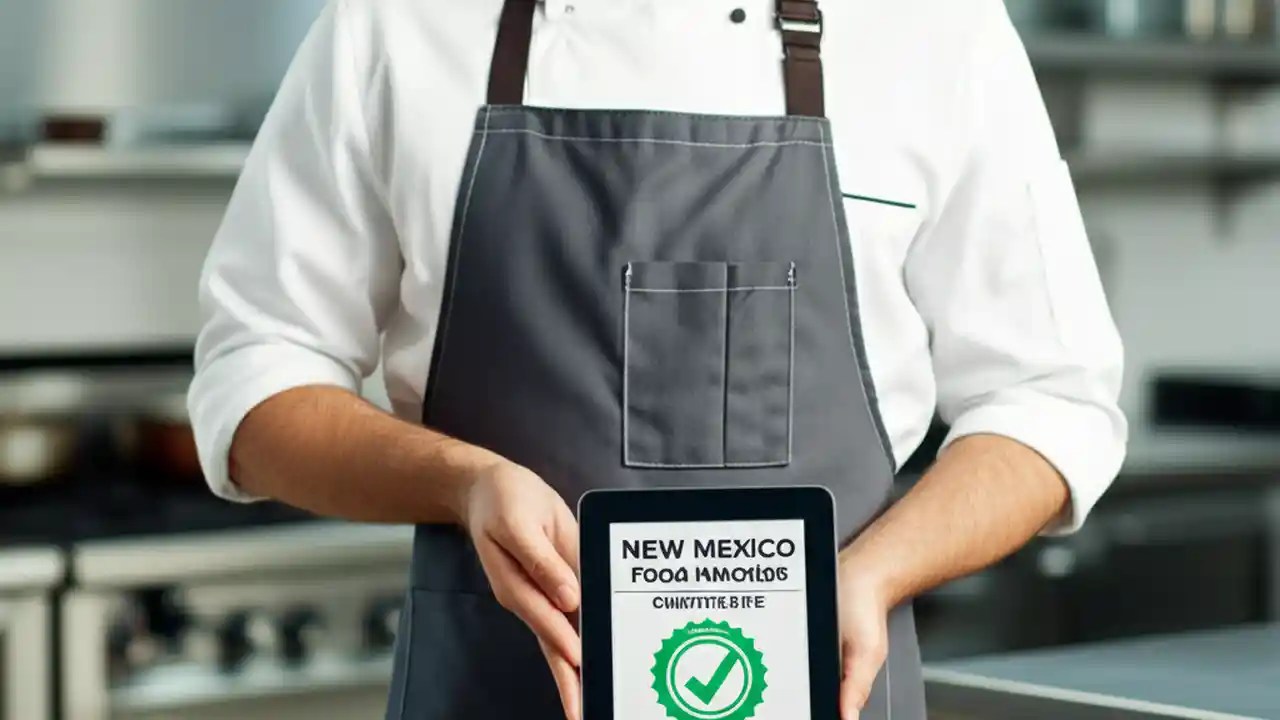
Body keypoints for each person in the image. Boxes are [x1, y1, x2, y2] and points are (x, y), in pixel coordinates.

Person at [188, 0, 1127, 718]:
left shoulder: (934, 31)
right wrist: (463, 482)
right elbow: (255, 378)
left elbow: (1052, 402)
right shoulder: (399, 24)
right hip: (495, 688)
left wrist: (875, 573)